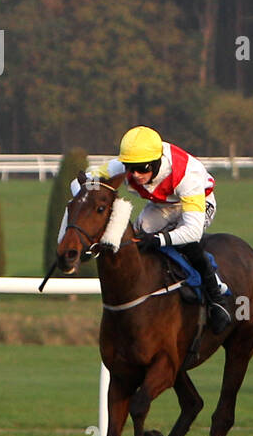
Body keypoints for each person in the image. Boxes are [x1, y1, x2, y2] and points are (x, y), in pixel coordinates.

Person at [85, 126, 231, 334]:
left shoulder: (186, 176)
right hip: (163, 206)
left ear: (156, 162)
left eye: (143, 168)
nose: (135, 175)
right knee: (136, 237)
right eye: (130, 168)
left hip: (197, 202)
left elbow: (192, 231)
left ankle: (217, 297)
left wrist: (159, 240)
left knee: (186, 244)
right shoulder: (130, 162)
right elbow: (85, 181)